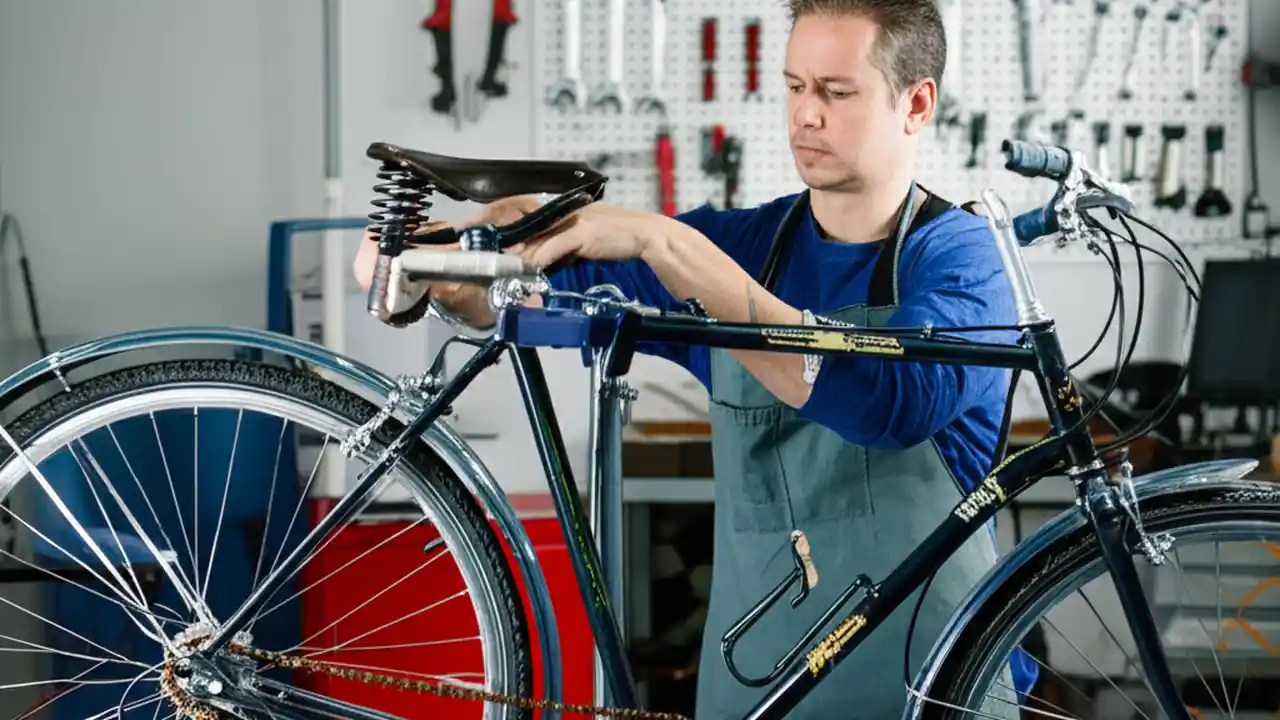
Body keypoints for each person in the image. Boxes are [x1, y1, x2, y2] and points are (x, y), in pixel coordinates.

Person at [355, 1, 1032, 716]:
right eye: (795, 86)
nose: (805, 115)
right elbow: (533, 278)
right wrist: (433, 264)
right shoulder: (742, 246)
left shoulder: (964, 259)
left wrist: (667, 245)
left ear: (916, 103)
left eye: (835, 92)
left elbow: (886, 402)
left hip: (934, 692)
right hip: (763, 695)